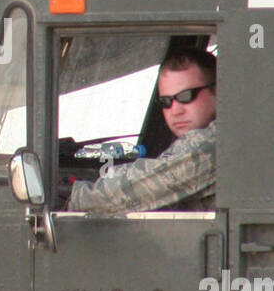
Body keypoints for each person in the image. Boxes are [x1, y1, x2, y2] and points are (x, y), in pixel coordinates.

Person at [66, 48, 216, 215]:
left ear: (218, 91)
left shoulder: (217, 142)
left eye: (185, 96)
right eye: (166, 101)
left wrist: (70, 195)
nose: (175, 111)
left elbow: (135, 190)